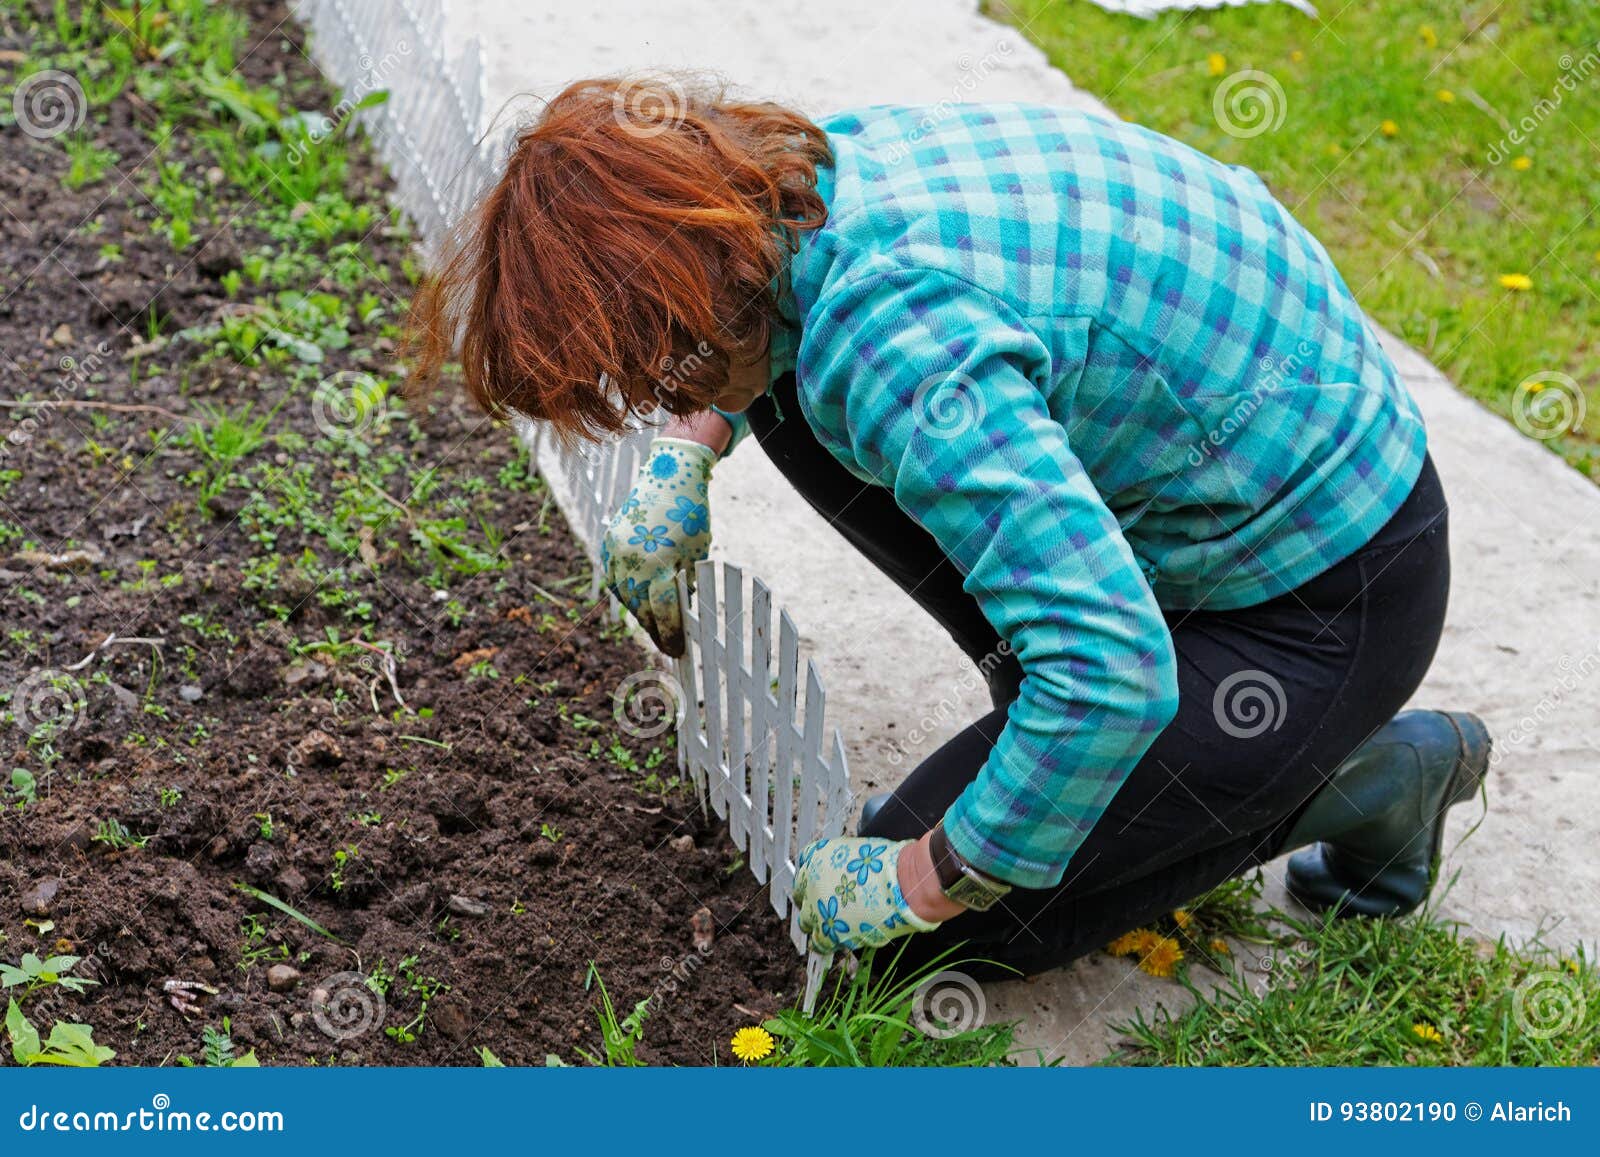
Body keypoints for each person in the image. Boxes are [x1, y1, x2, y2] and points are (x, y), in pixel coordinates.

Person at [408, 76, 1489, 979]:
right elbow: (748, 323)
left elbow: (1113, 671)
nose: (652, 394)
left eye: (655, 369)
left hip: (1313, 608)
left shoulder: (902, 348)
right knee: (781, 389)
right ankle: (1076, 727)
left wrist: (927, 875)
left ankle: (1372, 776)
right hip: (1215, 509)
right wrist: (684, 454)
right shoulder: (802, 188)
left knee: (916, 953)